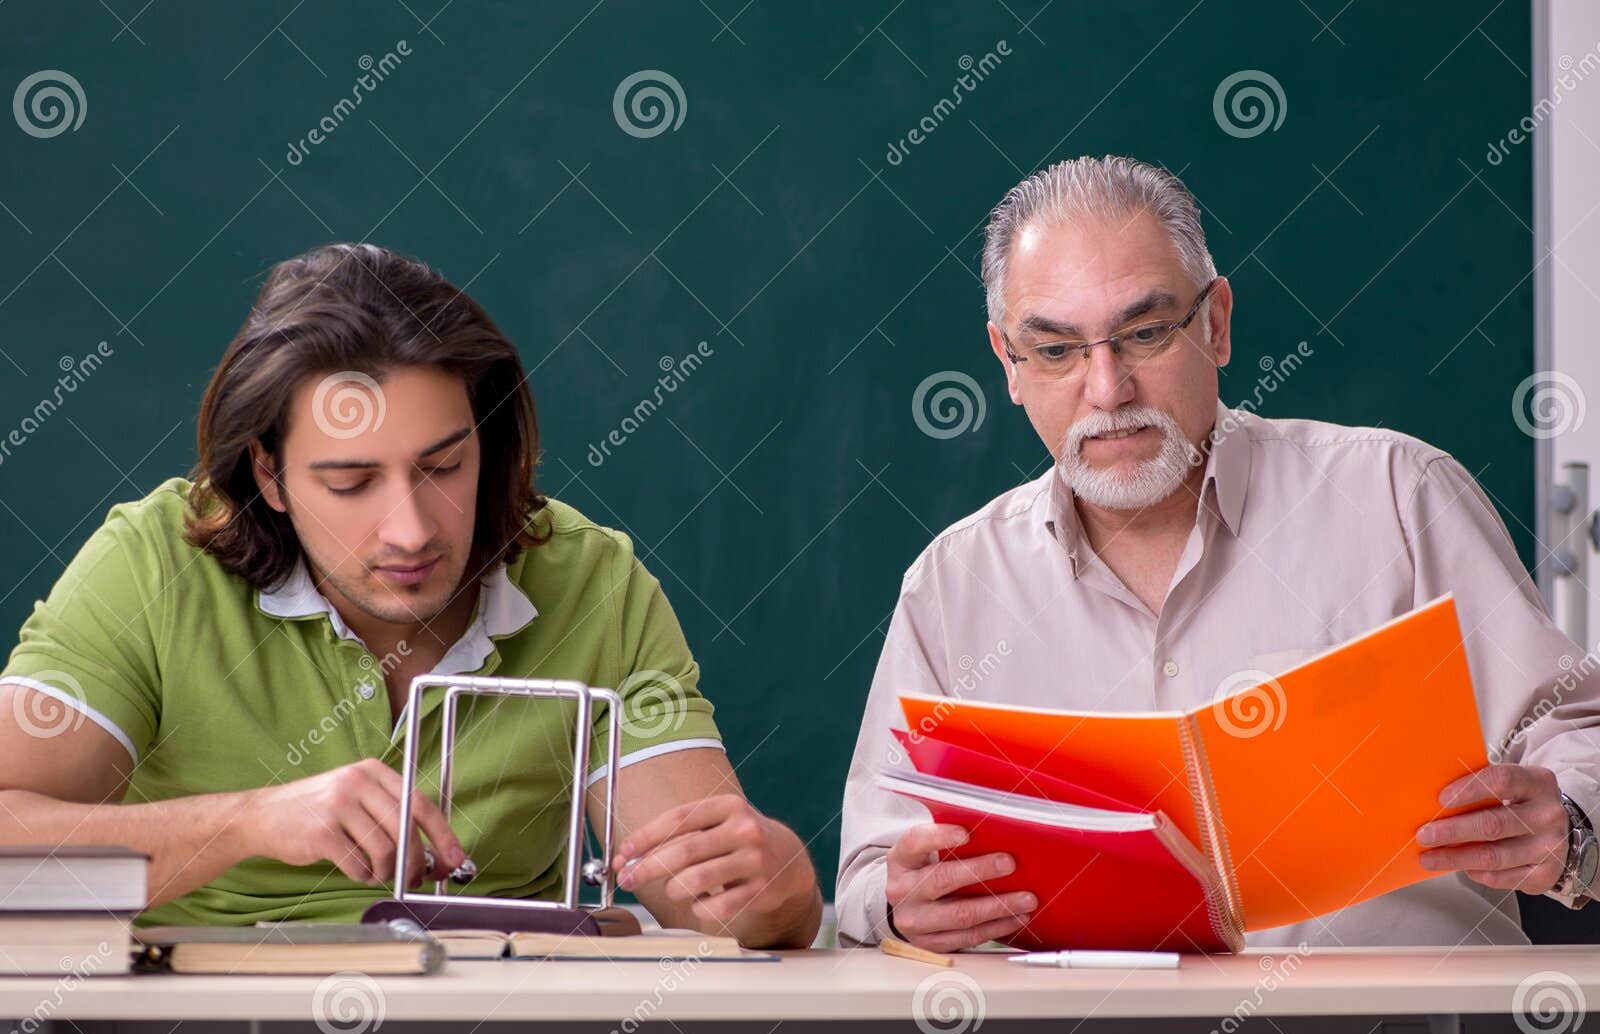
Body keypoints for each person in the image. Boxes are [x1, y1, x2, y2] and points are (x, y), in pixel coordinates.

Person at [836, 155, 1600, 953]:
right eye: (1057, 350)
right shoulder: (954, 585)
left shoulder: (1397, 497)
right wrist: (901, 905)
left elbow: (1579, 732)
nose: (1108, 389)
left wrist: (1571, 827)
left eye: (1144, 333)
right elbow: (867, 877)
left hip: (1406, 1029)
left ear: (1217, 324)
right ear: (1009, 365)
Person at [0, 243, 821, 949]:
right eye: (351, 482)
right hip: (209, 1032)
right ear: (269, 474)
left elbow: (726, 906)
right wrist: (248, 821)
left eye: (443, 467)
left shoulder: (591, 582)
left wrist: (776, 888)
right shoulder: (152, 564)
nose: (411, 531)